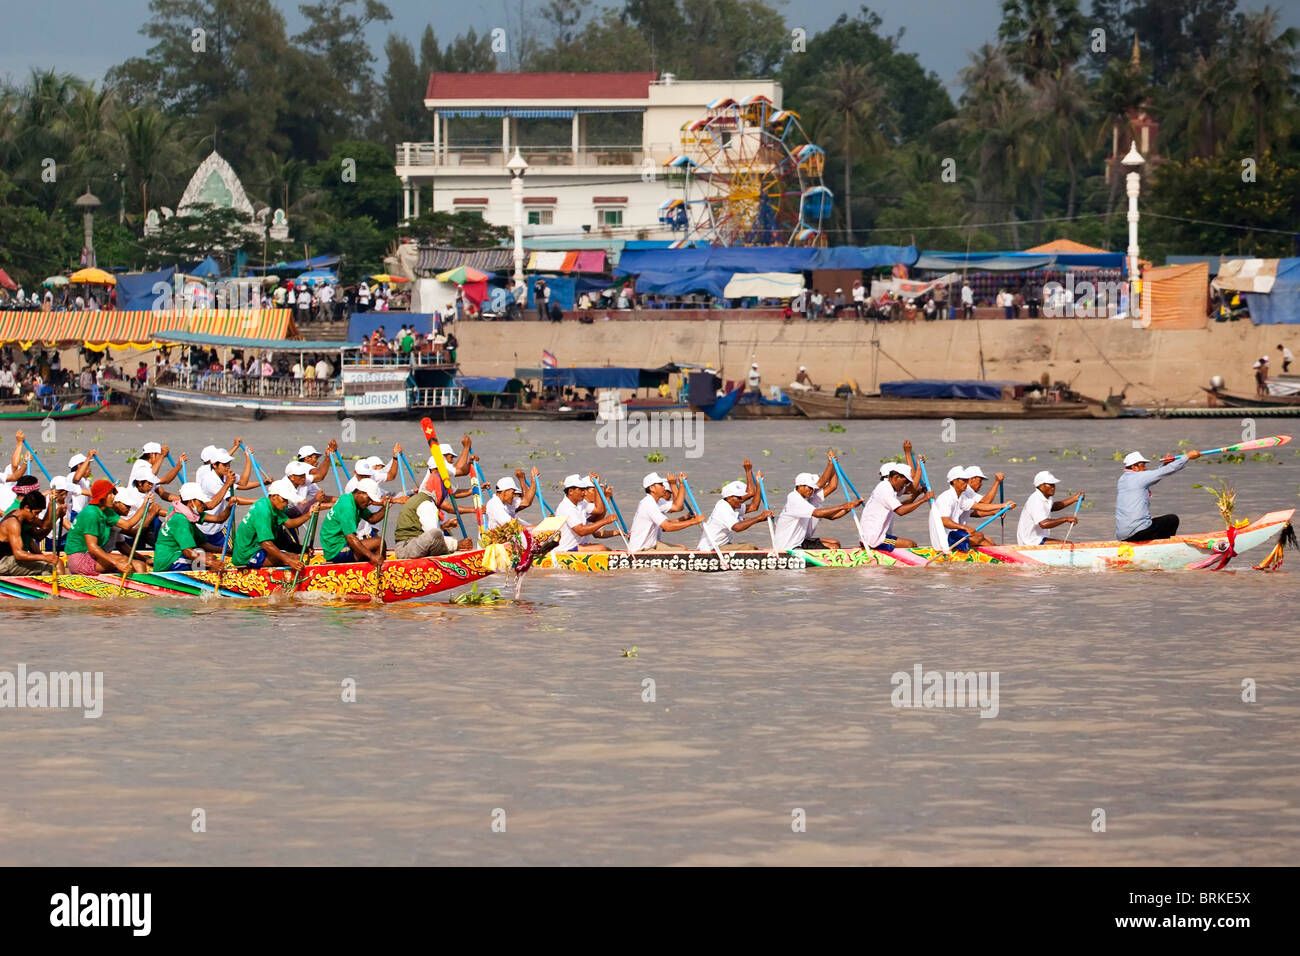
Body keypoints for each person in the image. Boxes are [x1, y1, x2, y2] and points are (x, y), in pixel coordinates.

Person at [63, 480, 148, 575]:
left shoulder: (106, 511)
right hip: (80, 558)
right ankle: (131, 587)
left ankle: (138, 586)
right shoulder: (91, 514)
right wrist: (116, 564)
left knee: (138, 565)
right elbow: (92, 547)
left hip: (92, 555)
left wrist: (145, 505)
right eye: (110, 494)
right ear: (102, 497)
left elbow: (127, 525)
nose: (113, 497)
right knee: (123, 561)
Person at [1115, 449, 1200, 542]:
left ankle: (1152, 544)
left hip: (1122, 535)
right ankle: (1164, 547)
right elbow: (1166, 471)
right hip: (1138, 532)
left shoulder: (1123, 479)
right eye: (1143, 466)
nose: (1145, 468)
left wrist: (1164, 465)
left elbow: (1155, 475)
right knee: (1172, 520)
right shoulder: (1139, 477)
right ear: (1134, 467)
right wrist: (1187, 456)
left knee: (1155, 523)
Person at [774, 462, 860, 551]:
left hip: (801, 540)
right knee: (834, 548)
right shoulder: (794, 499)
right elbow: (817, 513)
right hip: (788, 546)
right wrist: (843, 506)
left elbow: (832, 487)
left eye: (813, 488)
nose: (813, 491)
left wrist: (834, 465)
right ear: (800, 486)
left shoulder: (808, 499)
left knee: (835, 542)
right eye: (810, 487)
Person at [231, 479, 311, 570]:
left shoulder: (274, 506)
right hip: (247, 555)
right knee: (292, 558)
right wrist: (288, 561)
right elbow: (266, 543)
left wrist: (308, 515)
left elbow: (289, 523)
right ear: (274, 496)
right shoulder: (263, 510)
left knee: (294, 556)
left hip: (258, 548)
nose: (286, 503)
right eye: (284, 500)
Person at [698, 462, 772, 551]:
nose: (742, 499)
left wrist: (759, 485)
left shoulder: (733, 505)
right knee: (749, 547)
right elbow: (737, 527)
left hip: (720, 546)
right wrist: (759, 518)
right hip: (709, 549)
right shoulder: (723, 508)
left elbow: (753, 507)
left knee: (746, 545)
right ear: (729, 498)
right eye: (739, 497)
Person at [153, 483, 226, 571]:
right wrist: (210, 562)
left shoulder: (184, 511)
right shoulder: (181, 519)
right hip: (168, 561)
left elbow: (203, 543)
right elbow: (187, 551)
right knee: (208, 558)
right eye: (201, 502)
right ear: (191, 502)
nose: (204, 504)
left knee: (207, 555)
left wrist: (224, 551)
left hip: (174, 554)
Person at [860, 462, 931, 551]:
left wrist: (917, 494)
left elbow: (903, 505)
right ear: (896, 477)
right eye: (904, 483)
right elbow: (901, 511)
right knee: (910, 545)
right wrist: (923, 499)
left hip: (876, 537)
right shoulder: (885, 489)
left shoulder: (890, 488)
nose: (904, 486)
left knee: (909, 544)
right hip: (875, 539)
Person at [626, 472, 703, 552]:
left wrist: (681, 484)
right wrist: (694, 521)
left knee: (683, 548)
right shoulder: (648, 503)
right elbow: (667, 527)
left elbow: (678, 506)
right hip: (640, 550)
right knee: (683, 551)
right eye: (661, 485)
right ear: (652, 488)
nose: (664, 487)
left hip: (653, 545)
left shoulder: (658, 501)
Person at [319, 477, 388, 565]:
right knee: (379, 542)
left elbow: (372, 519)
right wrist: (372, 556)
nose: (370, 502)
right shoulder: (347, 507)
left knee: (374, 543)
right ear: (360, 492)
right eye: (369, 499)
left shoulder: (354, 501)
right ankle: (380, 571)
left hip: (341, 544)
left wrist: (384, 508)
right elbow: (350, 538)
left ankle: (374, 567)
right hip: (336, 549)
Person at [929, 465, 996, 551]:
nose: (966, 483)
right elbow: (944, 521)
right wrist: (965, 528)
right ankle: (1001, 557)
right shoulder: (947, 497)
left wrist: (1001, 507)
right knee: (978, 537)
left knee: (985, 538)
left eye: (967, 480)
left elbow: (978, 507)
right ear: (954, 481)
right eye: (964, 480)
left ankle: (997, 554)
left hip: (953, 534)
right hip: (944, 539)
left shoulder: (961, 497)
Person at [0, 490, 60, 575]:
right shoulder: (13, 523)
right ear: (27, 508)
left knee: (53, 564)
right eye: (36, 513)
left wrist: (51, 504)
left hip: (10, 559)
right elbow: (18, 554)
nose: (36, 516)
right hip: (3, 562)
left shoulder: (21, 514)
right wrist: (43, 557)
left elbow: (44, 525)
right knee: (48, 567)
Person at [1016, 470, 1084, 546]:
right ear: (1041, 485)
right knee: (1068, 545)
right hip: (1030, 541)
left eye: (1053, 484)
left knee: (1068, 544)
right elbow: (1044, 524)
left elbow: (1053, 507)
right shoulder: (1036, 500)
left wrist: (1074, 499)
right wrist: (1066, 519)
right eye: (1050, 484)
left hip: (1038, 538)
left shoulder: (1046, 497)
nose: (1053, 487)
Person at [554, 475, 619, 551]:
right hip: (566, 549)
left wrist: (596, 485)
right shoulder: (566, 507)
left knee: (608, 550)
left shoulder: (580, 503)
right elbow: (581, 531)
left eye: (584, 489)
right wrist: (606, 521)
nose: (584, 493)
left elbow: (599, 510)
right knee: (602, 548)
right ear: (570, 491)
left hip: (579, 546)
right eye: (581, 490)